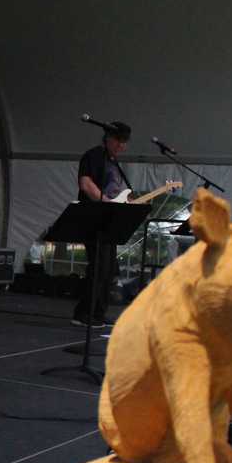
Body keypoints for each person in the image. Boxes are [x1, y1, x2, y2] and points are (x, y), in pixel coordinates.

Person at [73, 121, 133, 327]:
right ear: (107, 138)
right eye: (118, 140)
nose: (121, 146)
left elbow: (115, 192)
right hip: (94, 217)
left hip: (109, 220)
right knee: (98, 266)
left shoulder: (115, 163)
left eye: (124, 142)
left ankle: (98, 312)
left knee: (108, 269)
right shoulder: (94, 156)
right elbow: (86, 183)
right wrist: (106, 203)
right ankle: (83, 313)